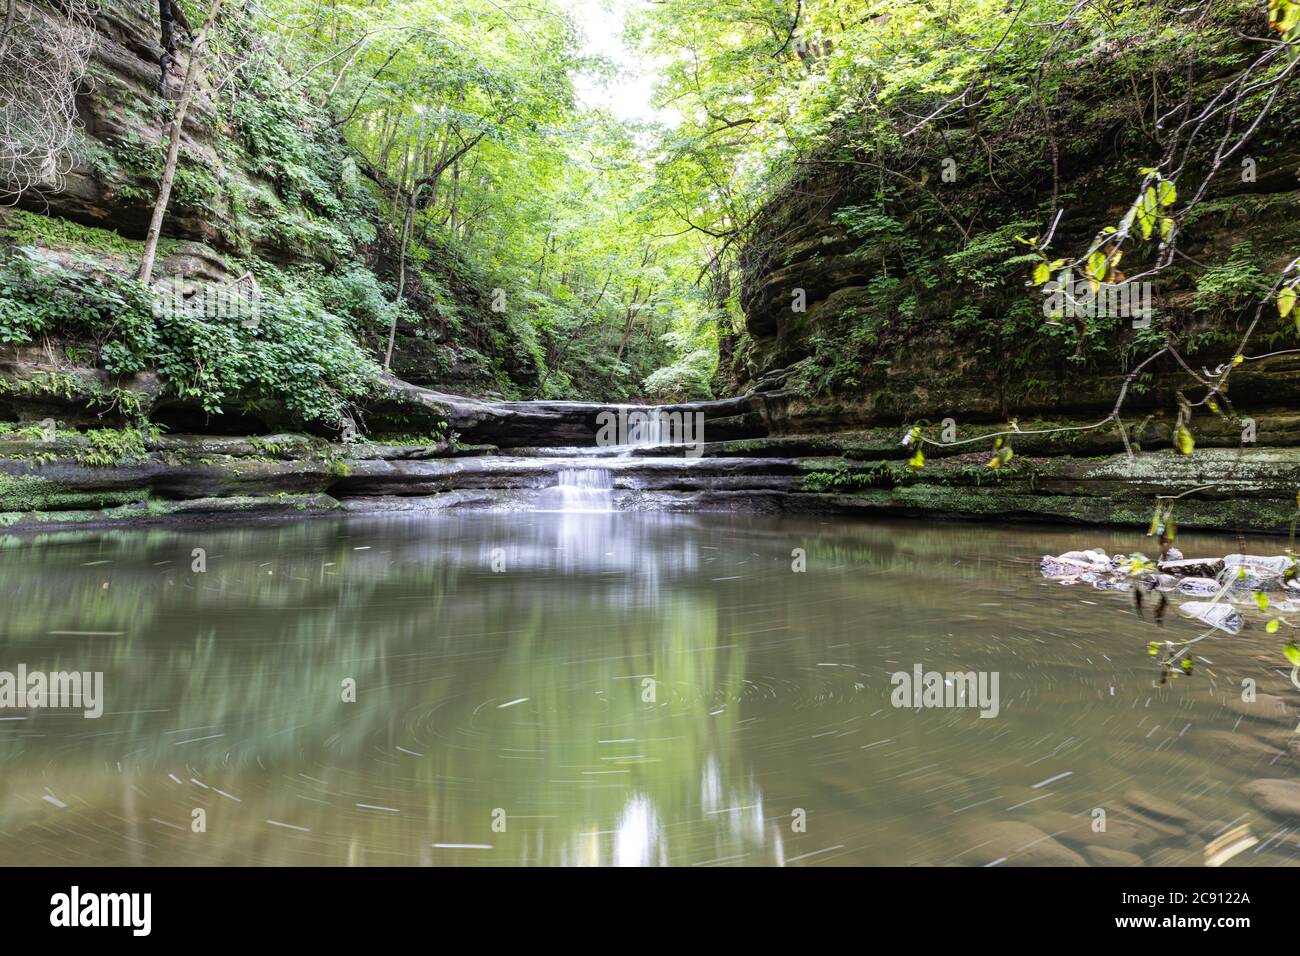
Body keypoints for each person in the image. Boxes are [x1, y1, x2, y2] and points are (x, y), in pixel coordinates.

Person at [157, 0, 194, 95]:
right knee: (168, 58)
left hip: (169, 36)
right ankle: (161, 85)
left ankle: (162, 84)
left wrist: (191, 36)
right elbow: (166, 15)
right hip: (168, 36)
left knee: (169, 58)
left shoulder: (169, 4)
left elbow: (181, 19)